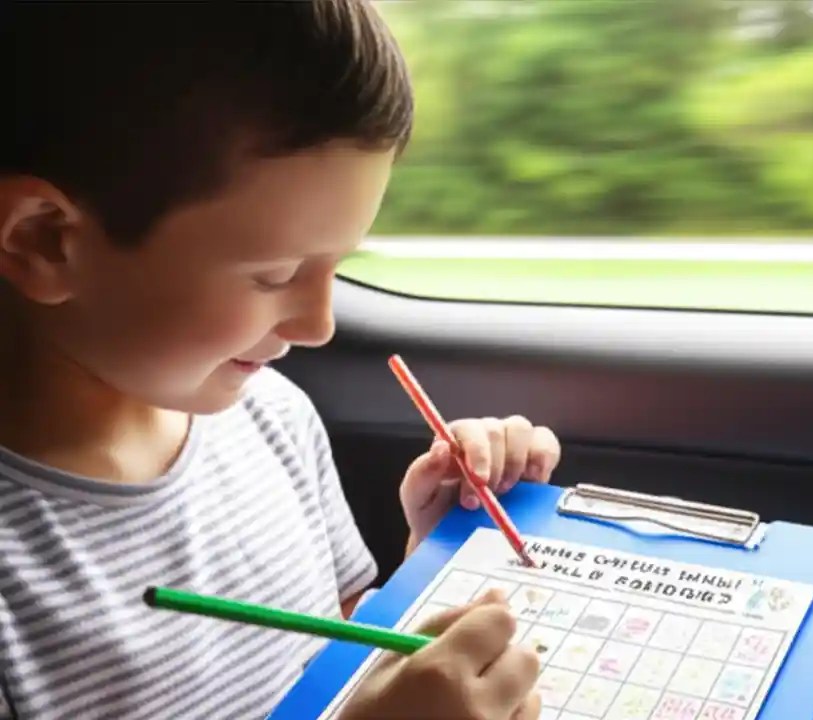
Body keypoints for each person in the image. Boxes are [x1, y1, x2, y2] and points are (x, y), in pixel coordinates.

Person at [0, 2, 554, 718]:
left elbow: (344, 651)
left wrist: (439, 557)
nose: (320, 324)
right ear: (45, 241)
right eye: (275, 274)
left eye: (339, 265)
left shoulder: (273, 417)